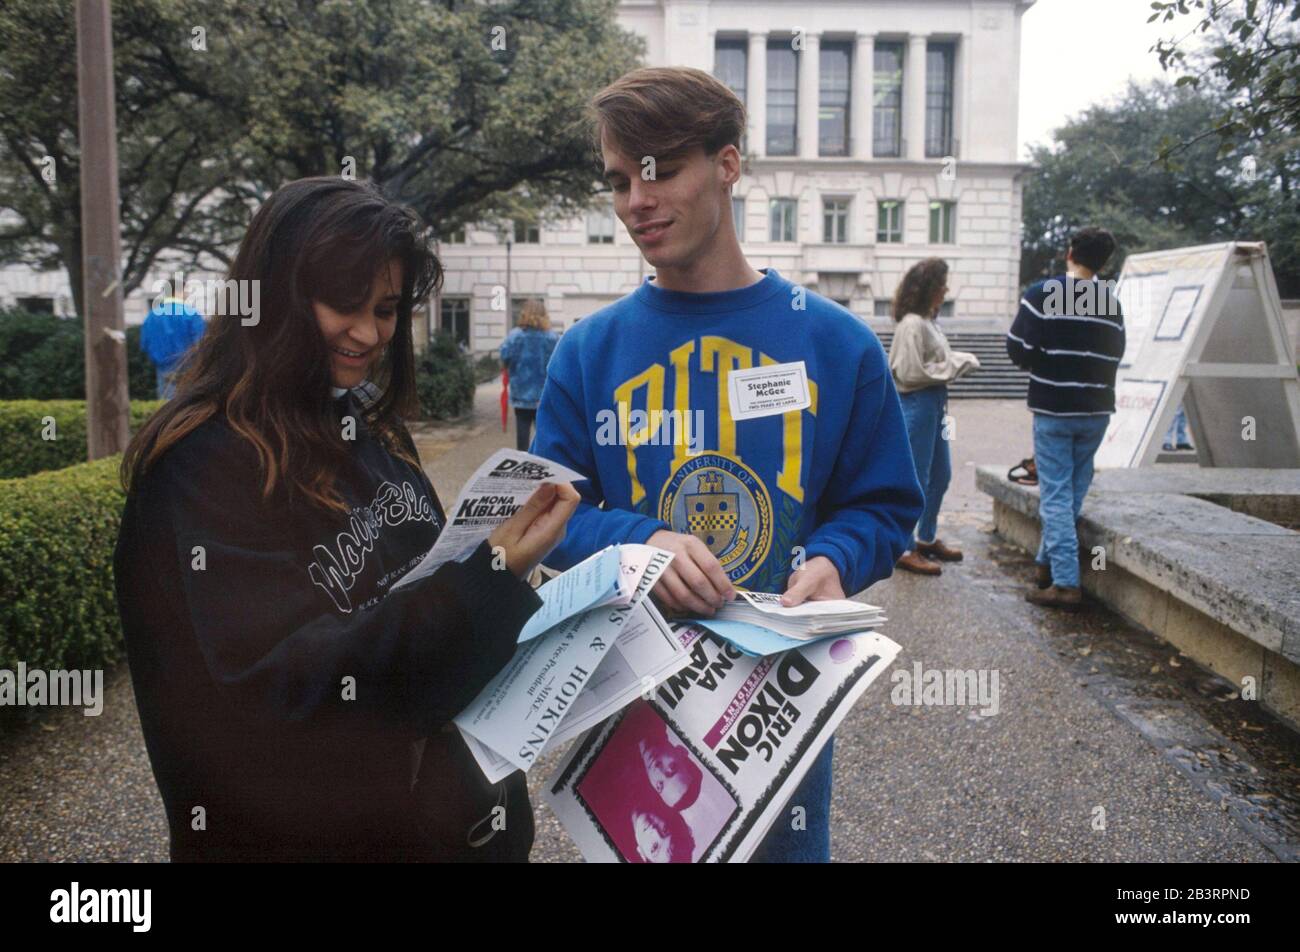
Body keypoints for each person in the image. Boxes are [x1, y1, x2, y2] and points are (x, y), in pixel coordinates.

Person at [114, 177, 578, 862]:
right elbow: (281, 692)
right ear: (275, 298)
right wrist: (485, 581)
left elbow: (421, 586)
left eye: (387, 308)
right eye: (343, 304)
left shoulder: (365, 425)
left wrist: (503, 562)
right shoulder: (200, 470)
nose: (368, 334)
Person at [531, 67, 924, 863]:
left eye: (660, 170)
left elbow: (885, 508)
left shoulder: (836, 342)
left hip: (780, 707)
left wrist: (835, 558)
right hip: (635, 703)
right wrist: (641, 543)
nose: (635, 201)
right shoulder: (588, 350)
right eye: (616, 181)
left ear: (729, 165)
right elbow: (546, 515)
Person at [1006, 227, 1125, 609]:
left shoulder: (1045, 293)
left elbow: (1018, 349)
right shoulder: (1109, 300)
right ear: (1104, 261)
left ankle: (1065, 583)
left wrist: (1048, 360)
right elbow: (1116, 352)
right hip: (1097, 411)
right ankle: (1045, 567)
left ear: (1070, 252)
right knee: (1071, 491)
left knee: (1055, 494)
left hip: (1055, 408)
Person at [887, 258, 980, 576]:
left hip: (935, 404)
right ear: (928, 288)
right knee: (916, 478)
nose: (945, 290)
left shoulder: (927, 323)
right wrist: (958, 364)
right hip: (918, 403)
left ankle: (925, 537)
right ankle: (904, 546)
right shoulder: (912, 324)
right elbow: (911, 372)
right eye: (941, 284)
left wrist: (953, 363)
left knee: (940, 475)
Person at [499, 299, 561, 450]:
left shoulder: (515, 336)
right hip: (545, 395)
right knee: (544, 433)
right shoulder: (552, 338)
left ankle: (523, 463)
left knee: (522, 432)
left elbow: (504, 356)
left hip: (521, 394)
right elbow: (560, 363)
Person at [140, 296, 206, 398]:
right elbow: (201, 341)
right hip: (188, 364)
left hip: (163, 366)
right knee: (188, 399)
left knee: (166, 401)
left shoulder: (152, 316)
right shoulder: (191, 313)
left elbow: (145, 343)